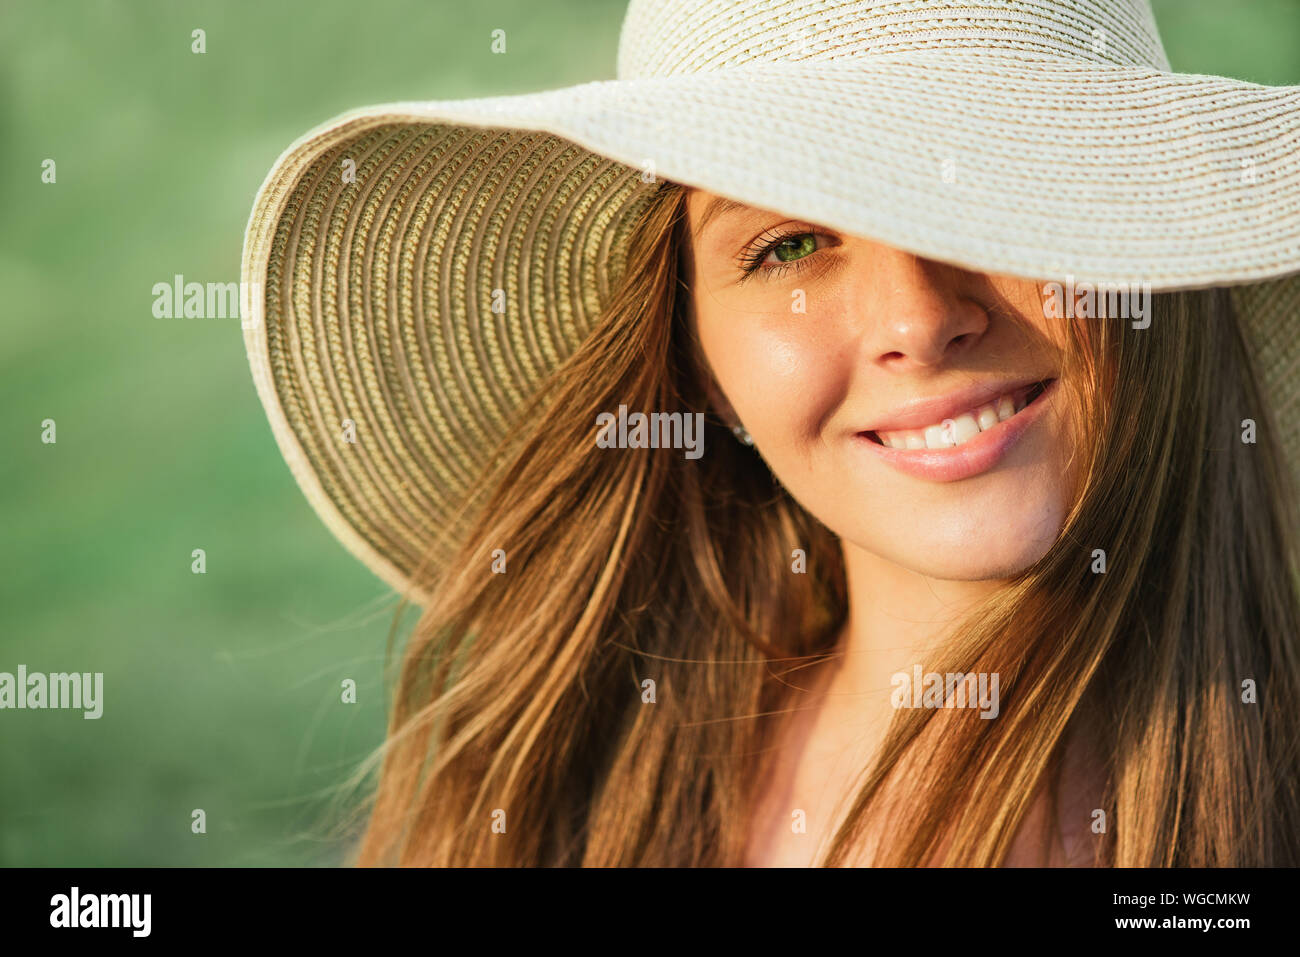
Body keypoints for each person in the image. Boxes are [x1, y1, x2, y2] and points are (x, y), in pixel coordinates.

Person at [240, 0, 1300, 866]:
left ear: (1165, 245)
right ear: (698, 357)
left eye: (995, 191)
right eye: (790, 246)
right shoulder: (559, 810)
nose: (918, 322)